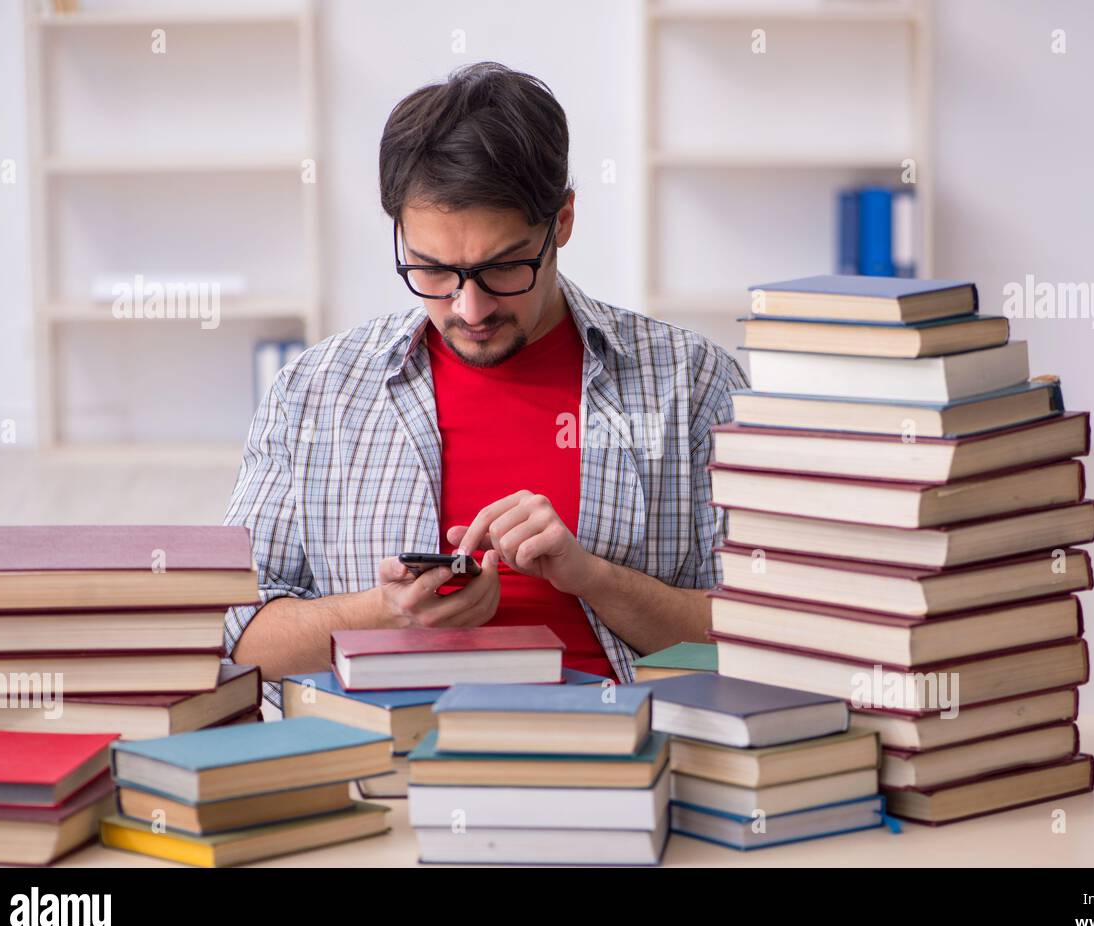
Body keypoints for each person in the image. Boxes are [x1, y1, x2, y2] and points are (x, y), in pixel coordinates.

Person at [223, 61, 747, 708]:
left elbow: (760, 631)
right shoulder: (313, 392)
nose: (468, 309)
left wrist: (594, 577)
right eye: (434, 270)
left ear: (562, 221)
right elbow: (234, 638)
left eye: (503, 268)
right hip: (377, 781)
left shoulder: (691, 383)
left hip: (618, 767)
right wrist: (385, 612)